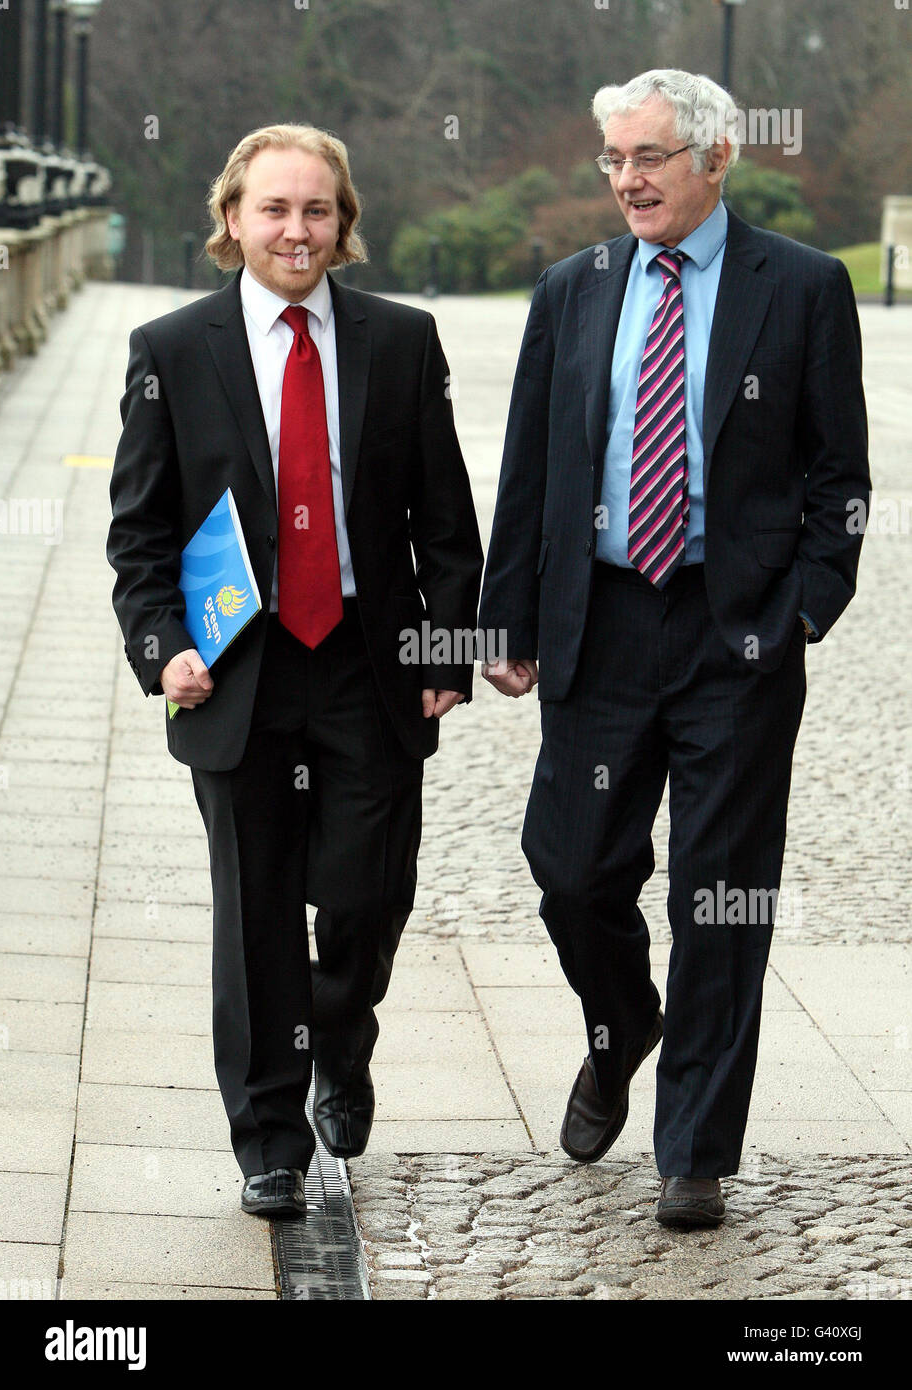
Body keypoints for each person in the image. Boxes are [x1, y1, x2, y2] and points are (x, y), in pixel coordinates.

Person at [478, 69, 869, 1228]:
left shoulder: (798, 287)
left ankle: (693, 1145)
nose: (625, 180)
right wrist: (505, 620)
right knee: (572, 869)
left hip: (731, 630)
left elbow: (836, 473)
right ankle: (620, 1027)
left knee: (722, 896)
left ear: (713, 158)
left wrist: (806, 602)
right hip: (597, 624)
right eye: (611, 160)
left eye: (647, 156)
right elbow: (530, 467)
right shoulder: (573, 287)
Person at [106, 124, 482, 1220]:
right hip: (239, 670)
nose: (295, 230)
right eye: (273, 209)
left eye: (316, 210)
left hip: (368, 658)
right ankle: (268, 1138)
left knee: (365, 896)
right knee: (256, 911)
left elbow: (444, 519)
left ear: (343, 223)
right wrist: (158, 644)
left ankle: (341, 1039)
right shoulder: (172, 349)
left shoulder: (400, 341)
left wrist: (446, 645)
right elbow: (139, 533)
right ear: (232, 220)